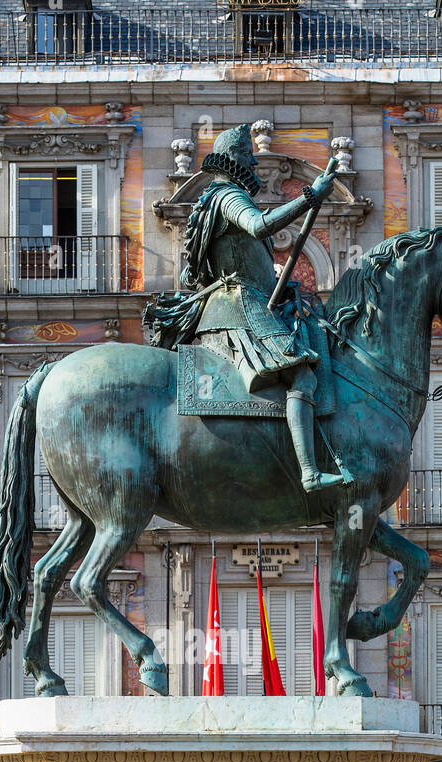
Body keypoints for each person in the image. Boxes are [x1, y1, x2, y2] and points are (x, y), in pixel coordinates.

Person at [144, 123, 343, 493]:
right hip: (238, 306)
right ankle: (310, 473)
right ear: (234, 160)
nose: (254, 164)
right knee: (302, 375)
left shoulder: (215, 198)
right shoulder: (227, 196)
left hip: (240, 302)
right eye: (249, 158)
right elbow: (260, 225)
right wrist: (309, 197)